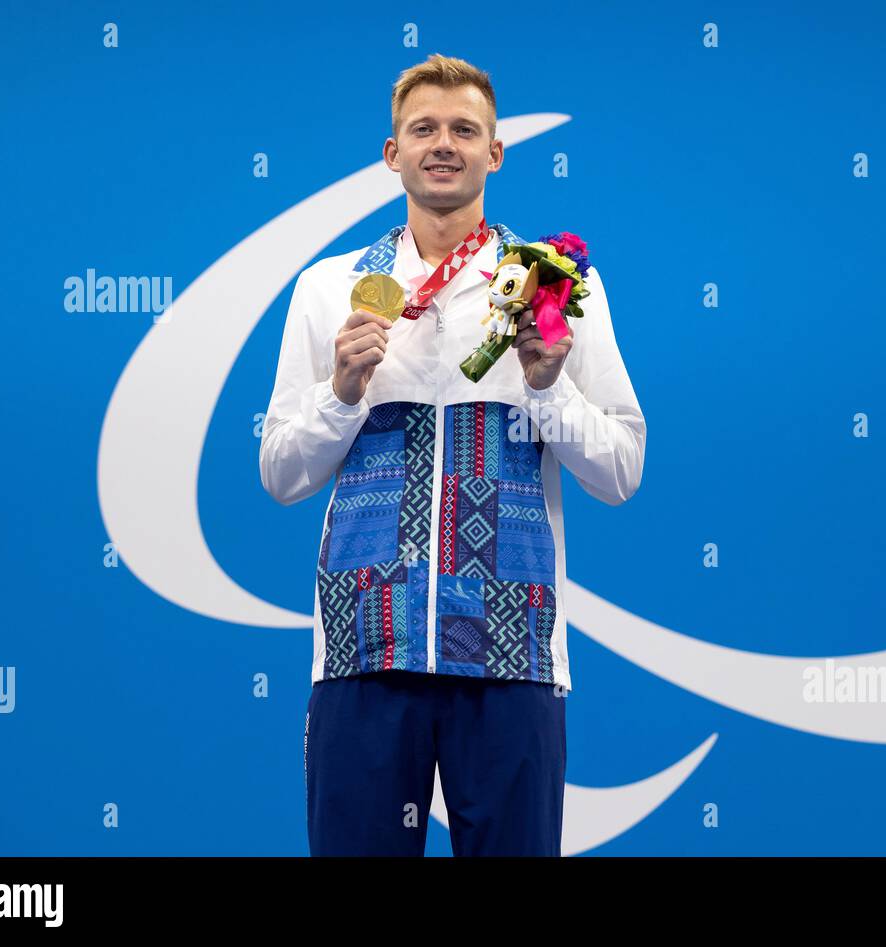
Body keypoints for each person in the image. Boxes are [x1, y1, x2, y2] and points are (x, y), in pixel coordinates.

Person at [259, 53, 646, 856]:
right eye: (424, 129)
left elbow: (620, 470)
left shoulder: (555, 288)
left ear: (495, 153)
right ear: (391, 153)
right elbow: (281, 475)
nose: (445, 143)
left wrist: (546, 388)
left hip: (511, 651)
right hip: (367, 645)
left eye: (465, 130)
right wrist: (339, 392)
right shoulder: (331, 288)